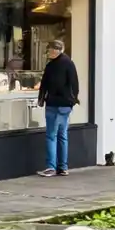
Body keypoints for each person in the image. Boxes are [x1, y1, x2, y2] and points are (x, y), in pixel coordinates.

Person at [37, 38, 80, 178]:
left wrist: (42, 98)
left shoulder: (52, 66)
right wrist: (72, 100)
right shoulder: (70, 63)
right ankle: (63, 167)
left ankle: (51, 167)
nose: (48, 52)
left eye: (49, 50)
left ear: (55, 50)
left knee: (51, 136)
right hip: (66, 105)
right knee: (62, 136)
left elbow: (45, 84)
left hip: (54, 104)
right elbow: (75, 84)